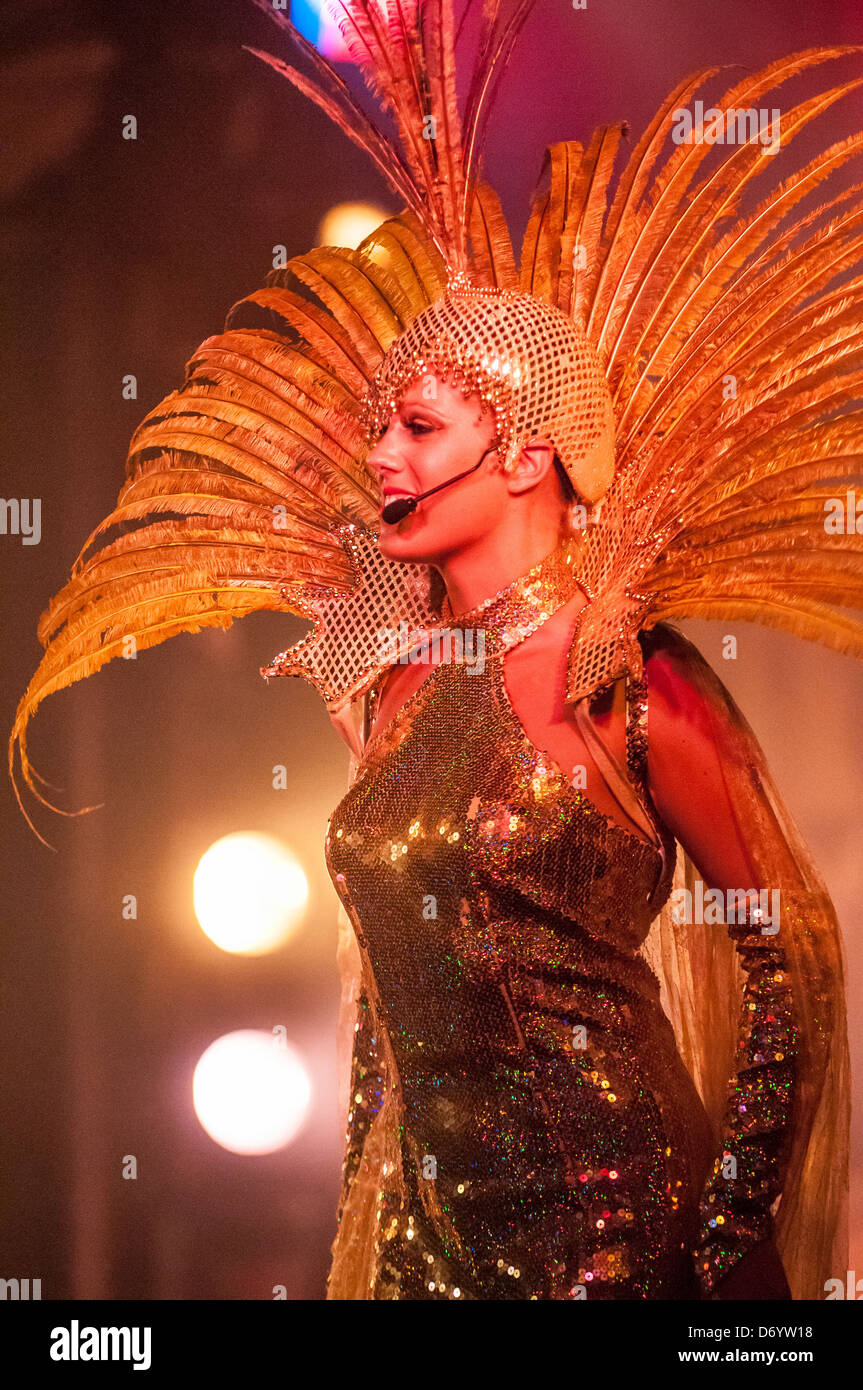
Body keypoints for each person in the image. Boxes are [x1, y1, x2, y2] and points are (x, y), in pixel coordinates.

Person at [10, 2, 858, 1300]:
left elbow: (789, 957)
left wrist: (726, 1232)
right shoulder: (397, 683)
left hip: (611, 1245)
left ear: (527, 453)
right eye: (379, 430)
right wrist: (370, 1231)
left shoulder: (631, 678)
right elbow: (387, 1017)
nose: (382, 459)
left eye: (414, 425)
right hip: (426, 1250)